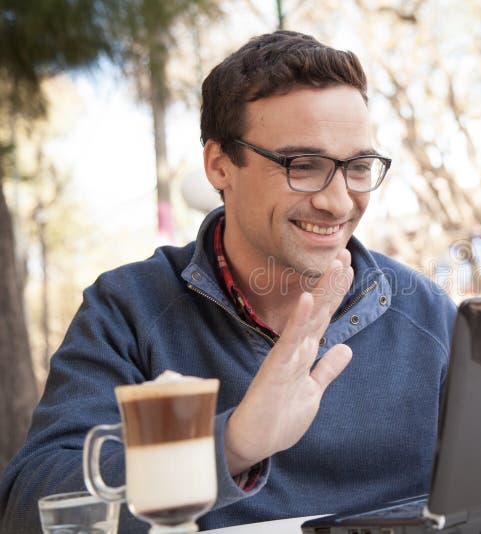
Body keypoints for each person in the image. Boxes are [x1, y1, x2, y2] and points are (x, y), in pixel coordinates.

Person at [0, 31, 456, 532]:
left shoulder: (428, 313)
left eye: (358, 167)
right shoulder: (129, 310)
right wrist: (232, 444)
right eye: (303, 166)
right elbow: (32, 505)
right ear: (220, 165)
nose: (339, 202)